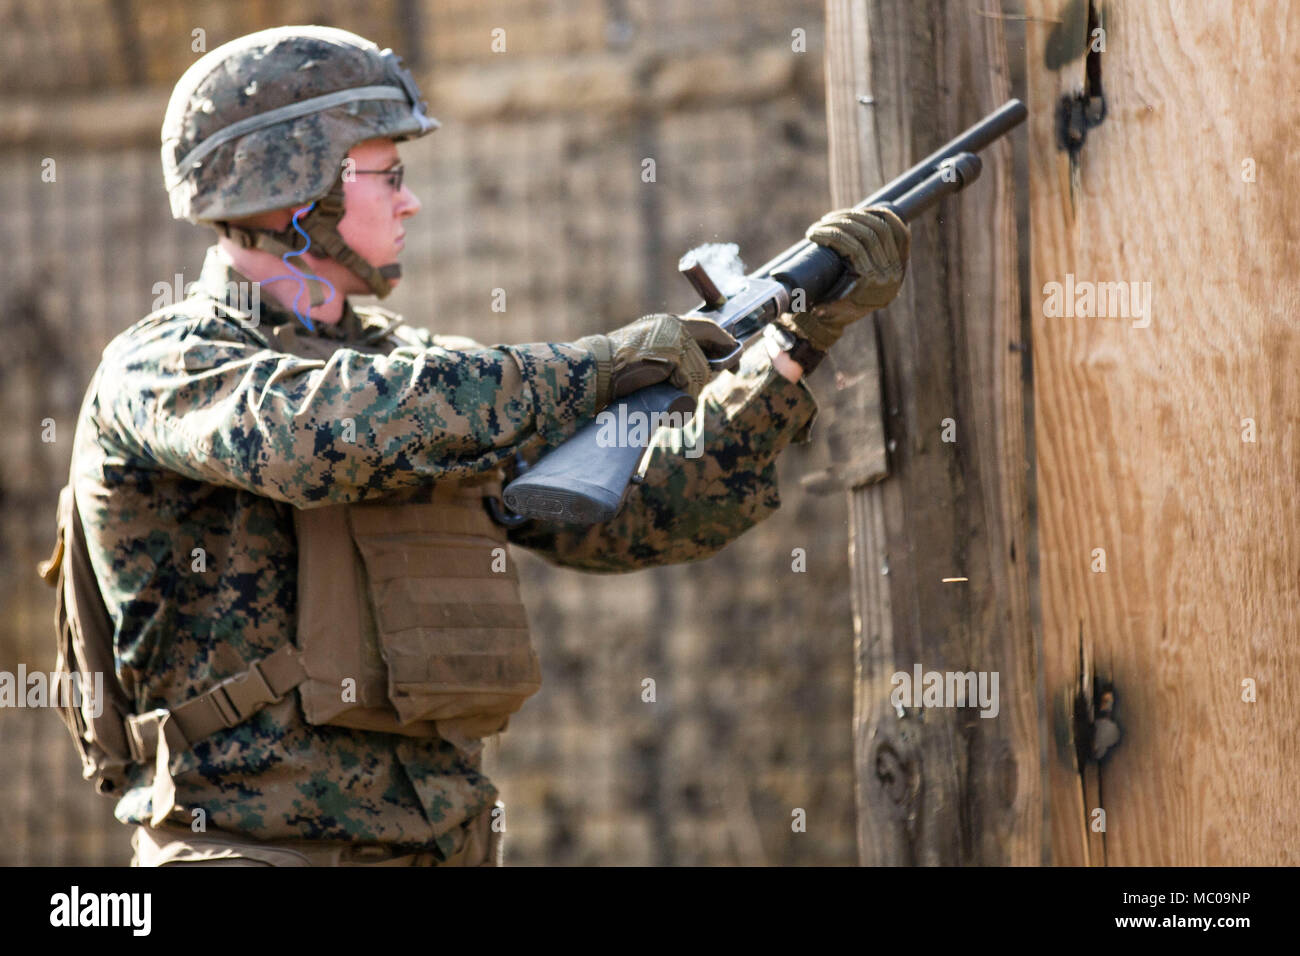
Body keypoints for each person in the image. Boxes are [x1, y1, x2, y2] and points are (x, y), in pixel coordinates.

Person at [46, 25, 909, 866]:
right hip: (247, 851)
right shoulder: (166, 367)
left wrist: (790, 350)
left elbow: (635, 516)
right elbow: (324, 435)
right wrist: (595, 365)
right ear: (293, 193)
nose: (410, 199)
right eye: (387, 175)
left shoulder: (424, 375)